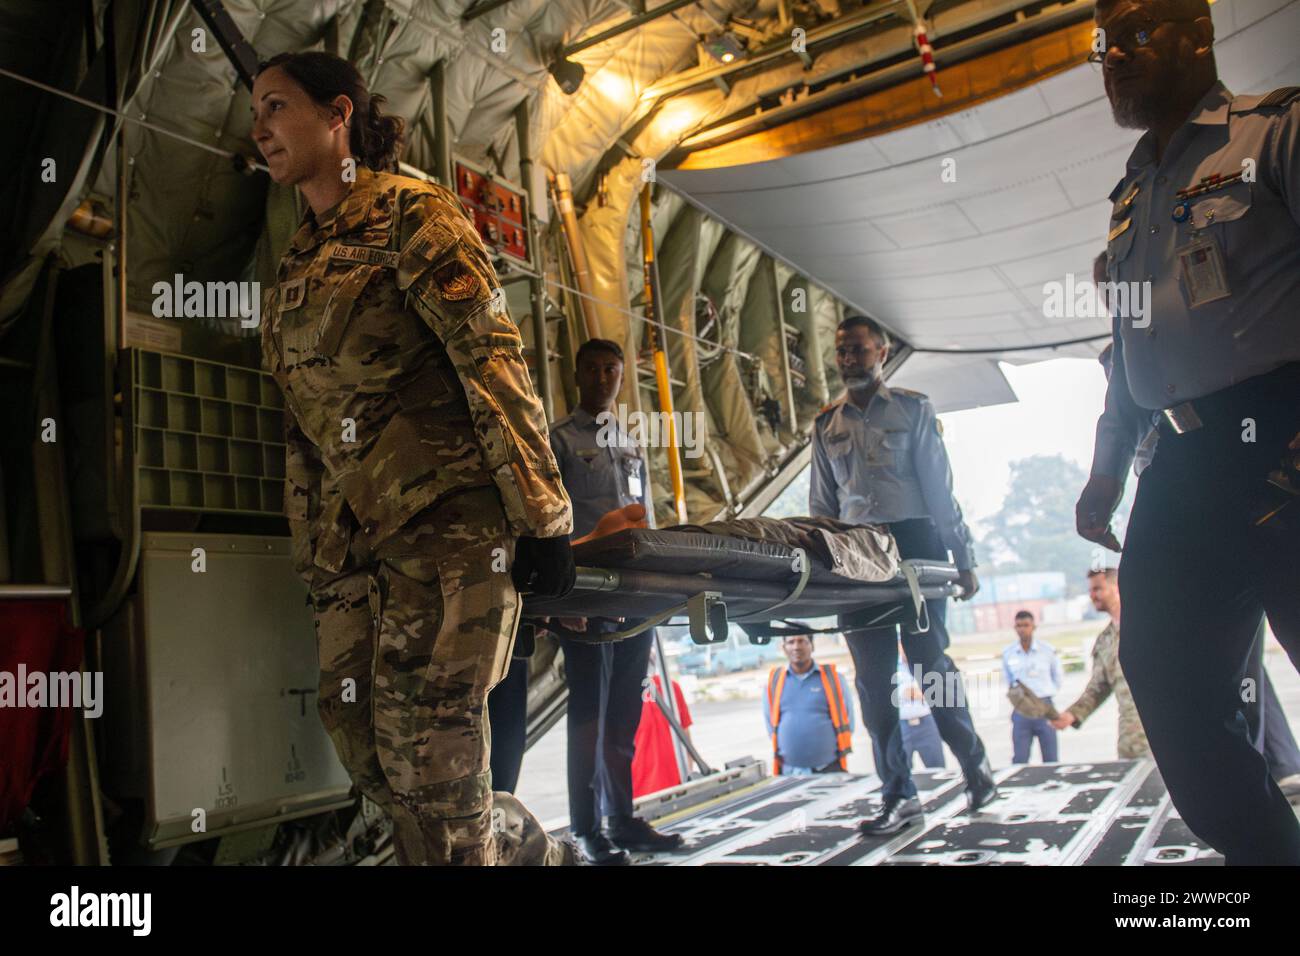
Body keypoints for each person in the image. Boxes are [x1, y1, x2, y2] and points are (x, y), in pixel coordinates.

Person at [253, 52, 577, 866]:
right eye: (254, 110)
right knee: (364, 744)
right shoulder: (296, 261)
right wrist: (317, 558)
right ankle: (525, 852)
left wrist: (543, 517)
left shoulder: (411, 215)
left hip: (448, 530)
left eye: (276, 106)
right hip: (353, 549)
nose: (259, 127)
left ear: (338, 115)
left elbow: (491, 358)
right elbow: (305, 429)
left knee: (431, 757)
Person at [1075, 0, 1300, 864]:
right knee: (1165, 677)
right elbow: (1133, 345)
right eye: (1103, 45)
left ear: (1197, 33)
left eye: (1133, 34)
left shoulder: (1272, 134)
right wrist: (1106, 472)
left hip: (1284, 436)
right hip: (1183, 460)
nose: (1114, 57)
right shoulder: (1131, 196)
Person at [810, 314, 996, 835]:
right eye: (842, 351)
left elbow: (940, 492)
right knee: (872, 680)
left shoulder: (914, 410)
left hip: (916, 544)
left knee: (928, 662)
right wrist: (823, 570)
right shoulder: (826, 425)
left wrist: (965, 558)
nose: (849, 360)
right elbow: (821, 507)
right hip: (855, 550)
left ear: (882, 353)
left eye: (859, 350)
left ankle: (975, 766)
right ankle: (899, 795)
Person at [547, 338, 683, 864]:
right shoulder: (558, 441)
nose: (603, 378)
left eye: (612, 370)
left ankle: (623, 819)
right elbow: (549, 523)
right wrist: (556, 596)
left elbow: (641, 512)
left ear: (622, 377)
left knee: (625, 710)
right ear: (576, 375)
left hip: (634, 592)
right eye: (593, 369)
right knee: (588, 712)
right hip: (584, 592)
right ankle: (587, 829)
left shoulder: (629, 443)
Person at [1055, 572, 1300, 798]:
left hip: (1176, 737)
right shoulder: (1106, 640)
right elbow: (1098, 686)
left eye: (1098, 588)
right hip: (1135, 743)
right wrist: (1072, 714)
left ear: (1116, 587)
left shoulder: (1161, 625)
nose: (1092, 595)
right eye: (1091, 590)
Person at [763, 634, 856, 775]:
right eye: (791, 642)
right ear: (783, 648)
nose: (796, 647)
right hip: (789, 772)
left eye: (802, 641)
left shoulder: (834, 679)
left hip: (829, 769)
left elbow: (848, 719)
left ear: (812, 645)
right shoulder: (774, 682)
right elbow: (770, 724)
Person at [1001, 612, 1062, 764]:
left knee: (1051, 759)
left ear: (1034, 627)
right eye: (1019, 626)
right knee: (1020, 759)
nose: (1022, 629)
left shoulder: (1047, 651)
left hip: (1044, 707)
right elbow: (1008, 680)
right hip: (1022, 710)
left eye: (1026, 625)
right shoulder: (1008, 654)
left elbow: (1057, 678)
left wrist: (1045, 695)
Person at [631, 671, 704, 798]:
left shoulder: (669, 688)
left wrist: (688, 775)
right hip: (640, 797)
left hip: (678, 789)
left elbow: (685, 737)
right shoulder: (610, 696)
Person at [894, 643, 946, 769]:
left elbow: (940, 690)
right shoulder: (893, 668)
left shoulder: (925, 665)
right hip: (902, 726)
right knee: (903, 769)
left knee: (937, 766)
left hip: (927, 723)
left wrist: (921, 694)